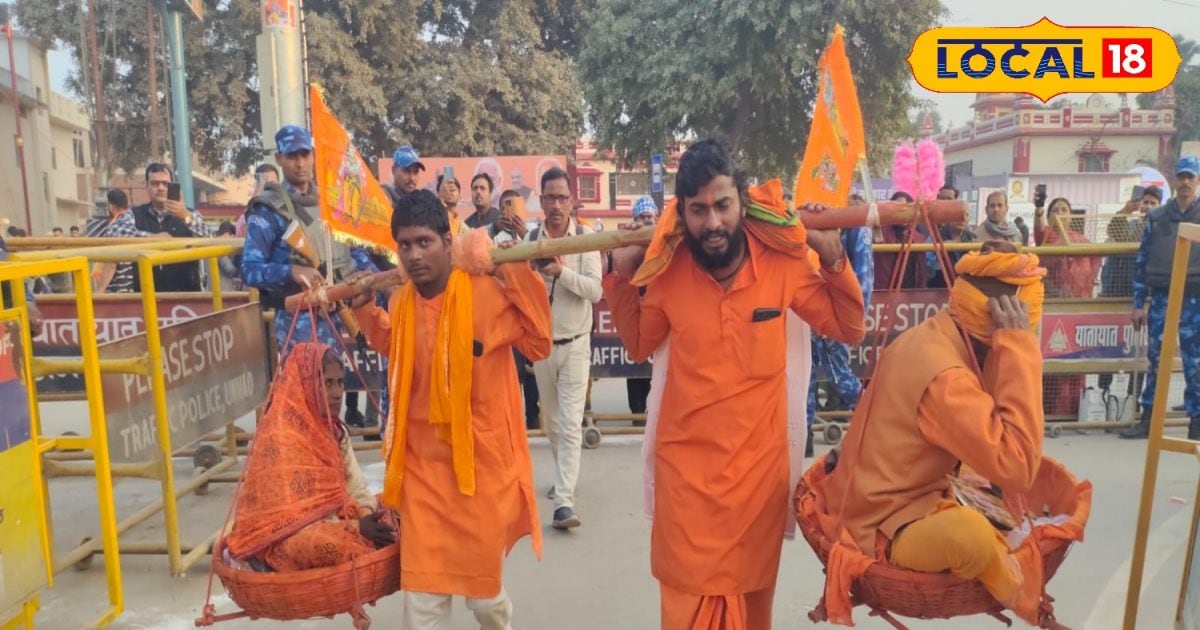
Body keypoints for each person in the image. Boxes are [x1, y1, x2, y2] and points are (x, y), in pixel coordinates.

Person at [605, 139, 865, 629]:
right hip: (685, 480)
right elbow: (640, 343)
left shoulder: (785, 265)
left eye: (722, 205)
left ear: (742, 203)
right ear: (682, 213)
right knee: (684, 609)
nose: (713, 223)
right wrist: (622, 276)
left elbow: (849, 328)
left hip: (757, 481)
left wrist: (832, 261)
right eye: (698, 210)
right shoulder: (666, 270)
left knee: (749, 613)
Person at [816, 241, 1050, 626]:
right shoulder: (947, 379)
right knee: (972, 537)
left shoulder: (934, 334)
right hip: (882, 523)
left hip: (906, 495)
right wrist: (1020, 347)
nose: (1030, 336)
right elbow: (1019, 466)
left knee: (986, 491)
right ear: (997, 327)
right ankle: (1025, 598)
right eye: (1028, 328)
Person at [350, 190, 552, 629]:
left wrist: (510, 266)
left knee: (485, 604)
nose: (414, 255)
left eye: (425, 242)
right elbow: (396, 346)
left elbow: (538, 342)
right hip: (422, 475)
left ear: (447, 240)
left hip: (479, 473)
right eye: (404, 245)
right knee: (421, 608)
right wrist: (364, 306)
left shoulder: (487, 292)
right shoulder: (401, 301)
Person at [224, 342, 395, 572]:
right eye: (327, 383)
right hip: (284, 536)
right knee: (326, 545)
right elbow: (292, 520)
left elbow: (356, 486)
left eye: (340, 383)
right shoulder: (282, 436)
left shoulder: (334, 431)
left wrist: (368, 516)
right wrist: (357, 528)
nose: (337, 394)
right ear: (305, 386)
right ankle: (259, 565)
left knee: (404, 505)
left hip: (341, 519)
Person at [241, 125, 376, 359]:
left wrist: (368, 279)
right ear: (279, 158)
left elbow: (353, 252)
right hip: (299, 322)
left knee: (333, 392)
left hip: (338, 315)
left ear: (313, 155)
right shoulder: (269, 208)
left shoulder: (332, 201)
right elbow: (249, 270)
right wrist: (291, 271)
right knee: (302, 392)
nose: (300, 163)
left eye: (305, 154)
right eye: (292, 156)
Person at [527, 166, 603, 530]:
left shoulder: (586, 239)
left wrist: (561, 273)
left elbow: (596, 291)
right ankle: (563, 480)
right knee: (553, 424)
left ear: (572, 201)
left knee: (571, 424)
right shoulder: (530, 239)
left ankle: (563, 502)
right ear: (541, 201)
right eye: (550, 198)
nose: (556, 204)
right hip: (541, 345)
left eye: (562, 197)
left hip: (576, 343)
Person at [1121, 156, 1200, 440]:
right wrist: (1138, 304)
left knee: (1195, 362)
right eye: (1181, 177)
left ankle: (1197, 421)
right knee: (1156, 359)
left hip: (1194, 300)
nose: (1185, 182)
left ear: (1198, 180)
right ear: (1175, 179)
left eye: (1191, 177)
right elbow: (1142, 262)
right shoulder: (1157, 218)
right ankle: (1149, 418)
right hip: (1163, 297)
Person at [807, 193, 874, 457]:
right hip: (813, 311)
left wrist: (848, 319)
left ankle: (874, 420)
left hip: (836, 314)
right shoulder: (823, 213)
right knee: (808, 376)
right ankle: (805, 435)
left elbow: (863, 278)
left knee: (842, 378)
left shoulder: (856, 223)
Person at [104, 163, 212, 292]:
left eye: (165, 184)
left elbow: (210, 238)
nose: (160, 188)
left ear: (173, 186)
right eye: (155, 184)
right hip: (146, 297)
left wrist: (185, 217)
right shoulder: (134, 214)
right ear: (147, 187)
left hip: (186, 299)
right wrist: (151, 238)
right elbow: (113, 233)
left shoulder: (191, 214)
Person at [1099, 186, 1162, 396]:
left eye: (1153, 203)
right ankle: (1102, 397)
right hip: (1116, 295)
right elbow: (1113, 230)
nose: (1148, 207)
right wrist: (1126, 210)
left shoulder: (1163, 231)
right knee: (1107, 350)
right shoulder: (1131, 226)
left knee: (1139, 353)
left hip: (1144, 299)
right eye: (1145, 202)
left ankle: (1132, 402)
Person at [624, 195, 659, 422]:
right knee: (636, 372)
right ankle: (637, 418)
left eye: (650, 217)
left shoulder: (665, 241)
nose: (647, 221)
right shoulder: (626, 239)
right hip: (636, 315)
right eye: (642, 217)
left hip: (659, 317)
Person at [873, 191, 929, 289]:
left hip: (911, 293)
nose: (903, 211)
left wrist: (922, 291)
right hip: (883, 292)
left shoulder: (918, 238)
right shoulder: (878, 233)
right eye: (898, 207)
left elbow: (921, 271)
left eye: (907, 207)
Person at [87, 189, 137, 293]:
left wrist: (100, 290)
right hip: (131, 284)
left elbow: (111, 262)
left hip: (119, 286)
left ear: (110, 206)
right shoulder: (131, 219)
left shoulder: (116, 227)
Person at [927, 185, 977, 289]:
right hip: (939, 292)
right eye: (958, 214)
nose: (962, 218)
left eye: (965, 215)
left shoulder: (974, 240)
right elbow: (928, 269)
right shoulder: (933, 236)